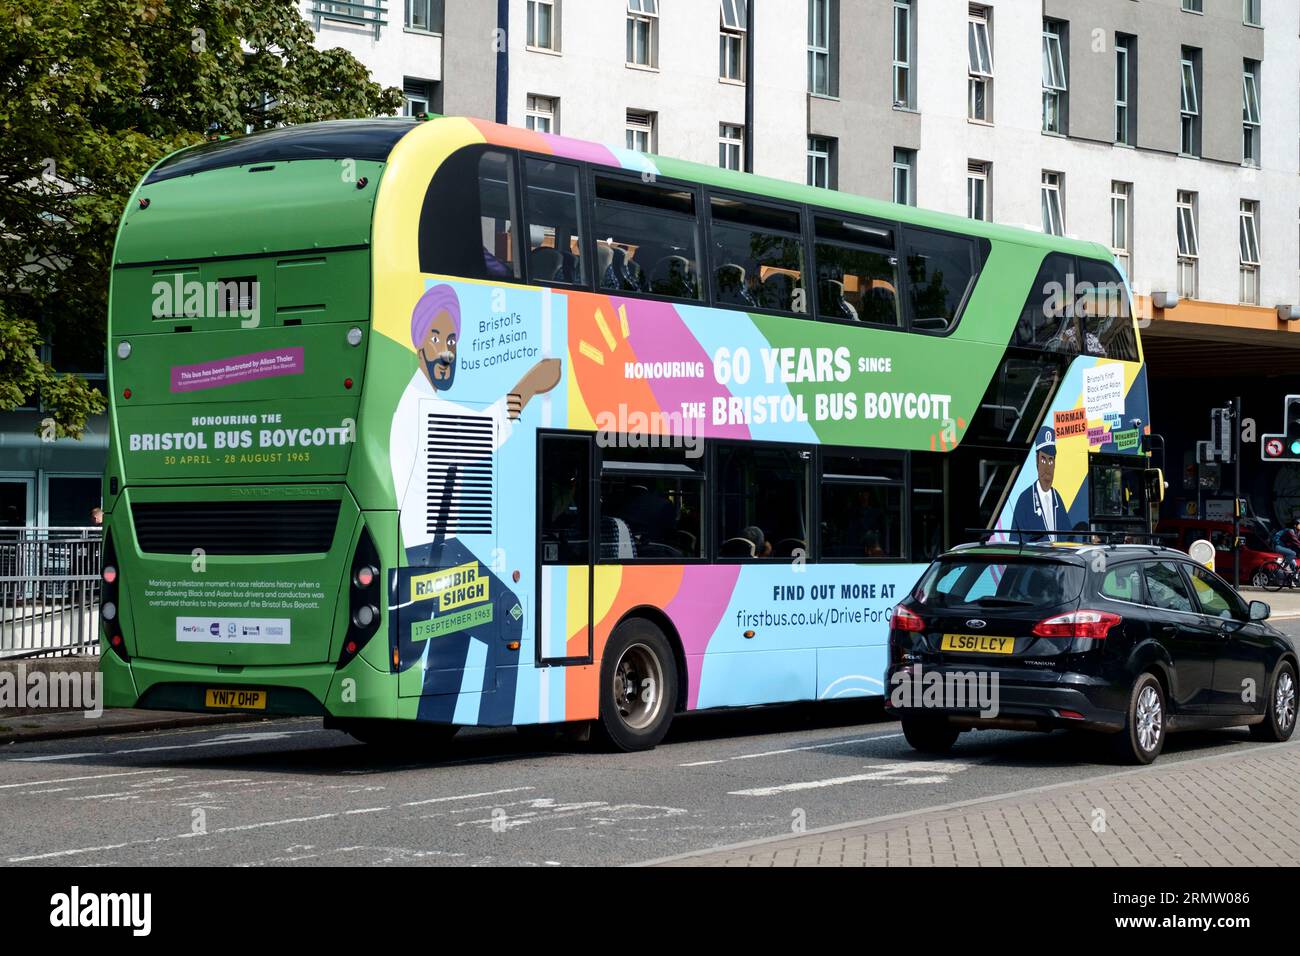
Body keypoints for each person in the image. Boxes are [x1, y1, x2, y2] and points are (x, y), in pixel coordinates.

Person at [388, 283, 562, 725]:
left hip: (434, 552)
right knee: (510, 614)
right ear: (417, 342)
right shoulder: (416, 404)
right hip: (426, 554)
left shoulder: (426, 400)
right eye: (436, 338)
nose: (446, 350)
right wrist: (529, 385)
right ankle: (499, 715)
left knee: (460, 631)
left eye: (452, 341)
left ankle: (435, 717)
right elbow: (480, 435)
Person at [1011, 426, 1068, 542]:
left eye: (1051, 460)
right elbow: (1015, 541)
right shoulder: (1025, 500)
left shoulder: (1057, 498)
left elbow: (1070, 537)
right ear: (1036, 461)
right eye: (1043, 460)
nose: (1048, 467)